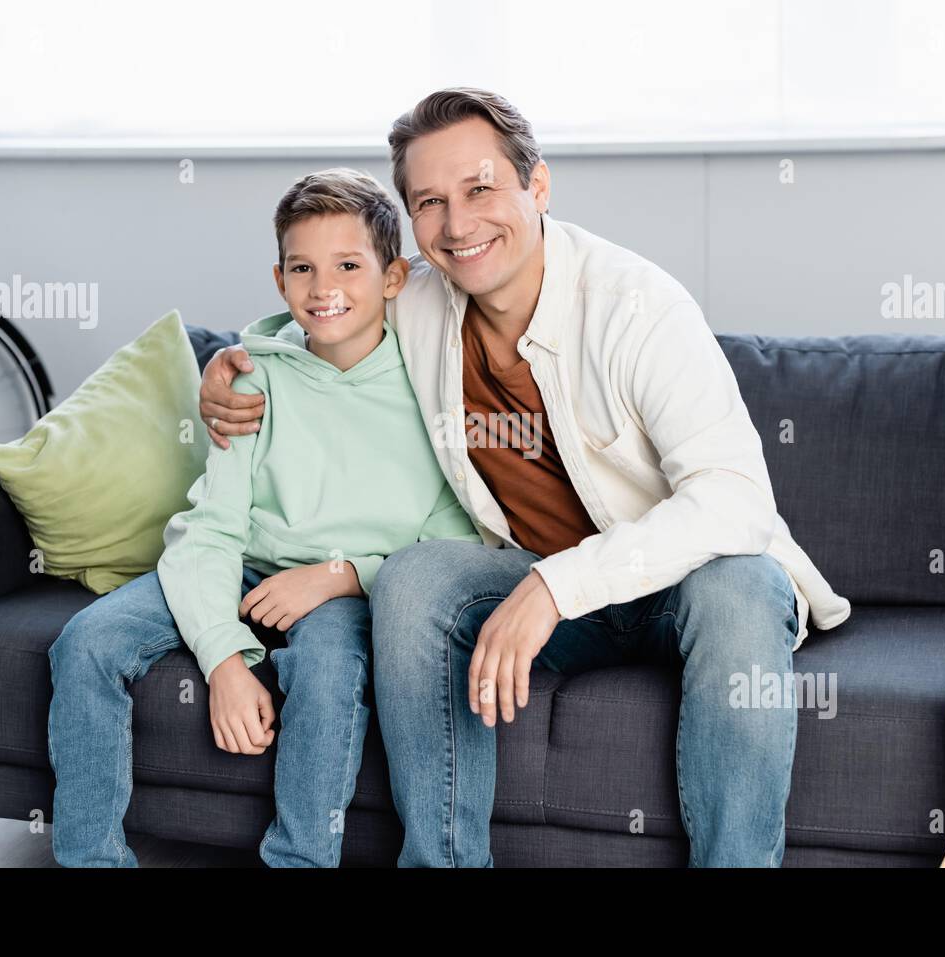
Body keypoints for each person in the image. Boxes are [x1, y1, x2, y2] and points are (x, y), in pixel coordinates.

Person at [201, 89, 852, 867]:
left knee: (744, 588)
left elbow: (735, 500)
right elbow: (327, 306)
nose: (458, 224)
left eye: (480, 189)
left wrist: (555, 588)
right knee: (409, 579)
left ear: (537, 187)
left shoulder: (636, 308)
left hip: (675, 585)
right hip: (531, 578)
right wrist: (233, 364)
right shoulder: (422, 302)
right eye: (431, 203)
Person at [47, 167, 479, 867]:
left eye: (348, 265)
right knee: (85, 642)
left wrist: (342, 575)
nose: (323, 287)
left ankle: (300, 858)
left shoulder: (433, 380)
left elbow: (453, 537)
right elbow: (212, 527)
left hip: (353, 586)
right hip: (243, 562)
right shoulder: (253, 378)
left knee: (331, 667)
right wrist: (224, 659)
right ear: (279, 281)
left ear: (394, 277)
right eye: (302, 267)